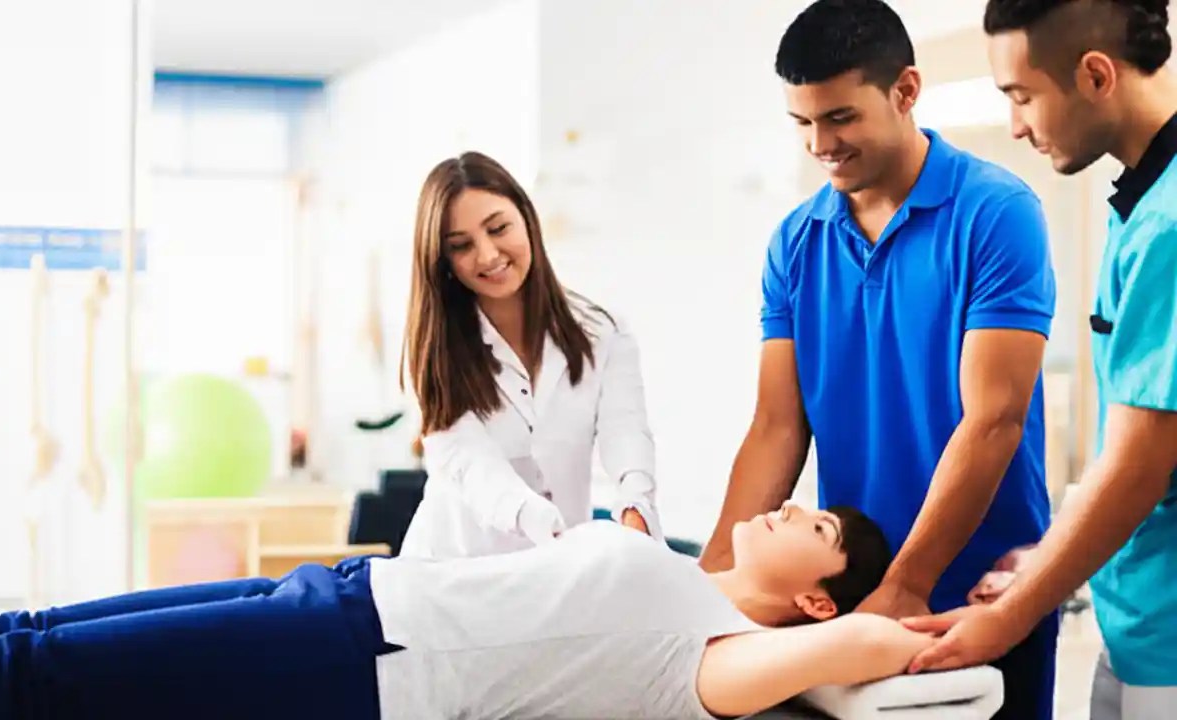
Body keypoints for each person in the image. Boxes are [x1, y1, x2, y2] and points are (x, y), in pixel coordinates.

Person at [696, 1, 1059, 717]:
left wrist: (908, 583)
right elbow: (776, 426)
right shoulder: (795, 243)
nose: (819, 144)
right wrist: (708, 581)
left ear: (905, 91)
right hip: (847, 601)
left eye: (840, 118)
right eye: (802, 123)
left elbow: (993, 421)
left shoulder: (995, 213)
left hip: (983, 592)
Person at [0, 502, 927, 719]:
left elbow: (870, 638)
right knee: (20, 636)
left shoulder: (723, 656)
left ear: (812, 594)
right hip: (346, 593)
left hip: (359, 662)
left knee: (25, 682)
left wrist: (953, 618)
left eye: (818, 525)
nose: (791, 503)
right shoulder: (673, 566)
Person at [903, 2, 1177, 718]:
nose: (1018, 126)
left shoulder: (1172, 223)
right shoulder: (1142, 204)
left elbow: (1142, 464)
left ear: (1093, 75)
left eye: (1021, 97)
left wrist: (1014, 613)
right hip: (1139, 622)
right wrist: (1050, 559)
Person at [398, 151, 662, 559]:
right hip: (455, 572)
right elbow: (470, 464)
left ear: (526, 217)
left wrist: (635, 505)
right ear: (443, 260)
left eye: (498, 228)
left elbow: (625, 431)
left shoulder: (601, 331)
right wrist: (539, 522)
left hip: (557, 573)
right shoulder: (436, 348)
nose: (488, 255)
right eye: (461, 245)